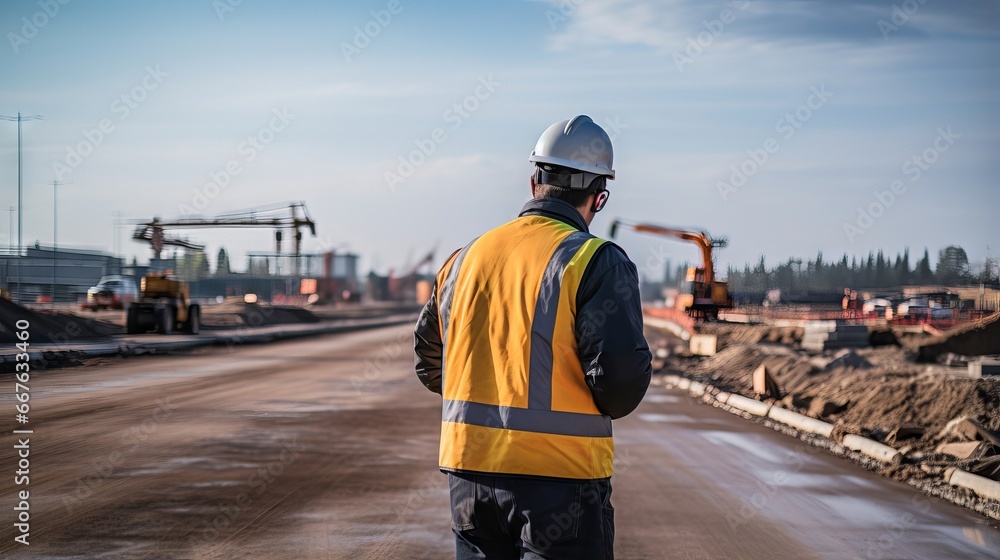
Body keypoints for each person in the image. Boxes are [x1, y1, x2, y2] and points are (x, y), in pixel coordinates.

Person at [414, 115, 652, 559]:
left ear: (533, 181)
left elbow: (430, 360)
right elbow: (619, 386)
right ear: (598, 198)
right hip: (560, 482)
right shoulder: (594, 261)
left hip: (470, 477)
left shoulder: (464, 259)